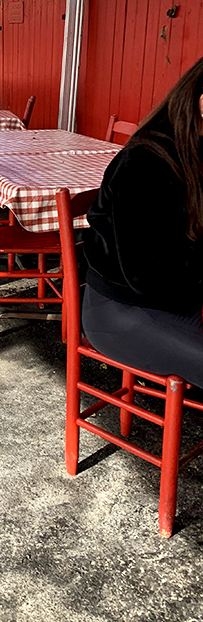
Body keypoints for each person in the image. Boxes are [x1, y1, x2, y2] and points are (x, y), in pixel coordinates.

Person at [82, 57, 203, 388]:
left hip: (179, 299)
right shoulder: (147, 161)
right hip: (122, 311)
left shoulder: (195, 151)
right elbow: (147, 273)